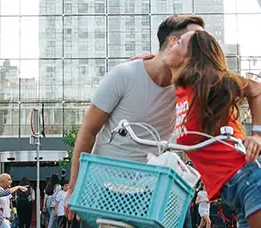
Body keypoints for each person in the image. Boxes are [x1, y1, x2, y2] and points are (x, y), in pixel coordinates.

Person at [63, 15, 207, 214]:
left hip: (149, 190)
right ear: (174, 42)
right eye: (196, 41)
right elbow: (88, 131)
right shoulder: (124, 75)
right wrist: (73, 187)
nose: (203, 48)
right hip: (104, 186)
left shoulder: (188, 88)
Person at [158, 29, 261, 228]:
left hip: (255, 182)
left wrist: (258, 135)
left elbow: (256, 89)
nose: (172, 43)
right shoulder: (182, 91)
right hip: (238, 193)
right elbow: (158, 69)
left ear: (192, 55)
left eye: (179, 43)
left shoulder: (209, 81)